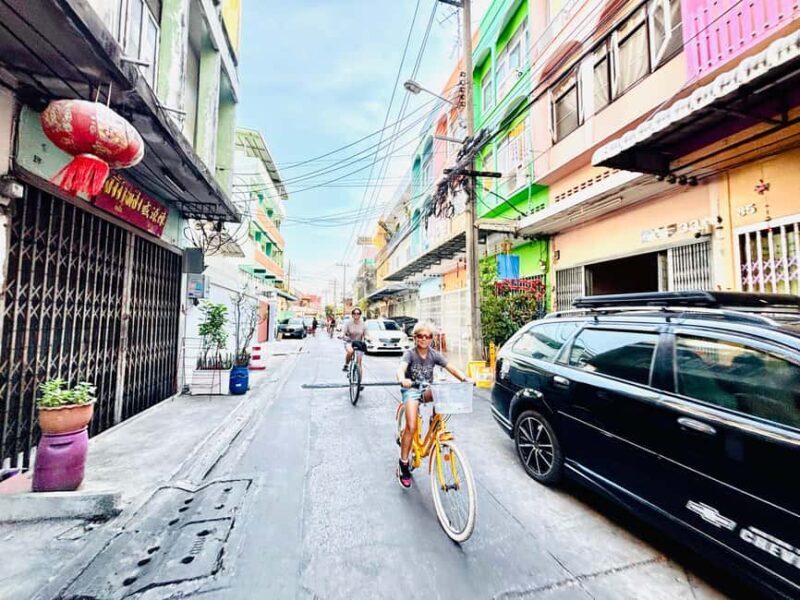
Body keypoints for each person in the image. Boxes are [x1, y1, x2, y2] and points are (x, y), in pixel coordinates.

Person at [396, 322, 468, 489]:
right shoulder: (410, 354)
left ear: (431, 338)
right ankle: (404, 464)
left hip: (427, 389)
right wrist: (403, 379)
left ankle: (434, 424)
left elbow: (451, 368)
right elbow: (401, 369)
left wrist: (465, 379)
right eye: (420, 336)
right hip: (412, 390)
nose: (424, 339)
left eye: (428, 336)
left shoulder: (434, 354)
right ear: (415, 337)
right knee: (411, 427)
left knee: (442, 393)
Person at [342, 308, 366, 372]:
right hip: (349, 342)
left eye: (358, 313)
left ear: (360, 315)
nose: (356, 315)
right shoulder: (348, 323)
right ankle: (346, 364)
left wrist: (368, 338)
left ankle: (359, 377)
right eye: (354, 313)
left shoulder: (363, 324)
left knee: (359, 363)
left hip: (359, 343)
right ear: (352, 315)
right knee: (350, 351)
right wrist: (341, 335)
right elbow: (343, 332)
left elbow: (366, 334)